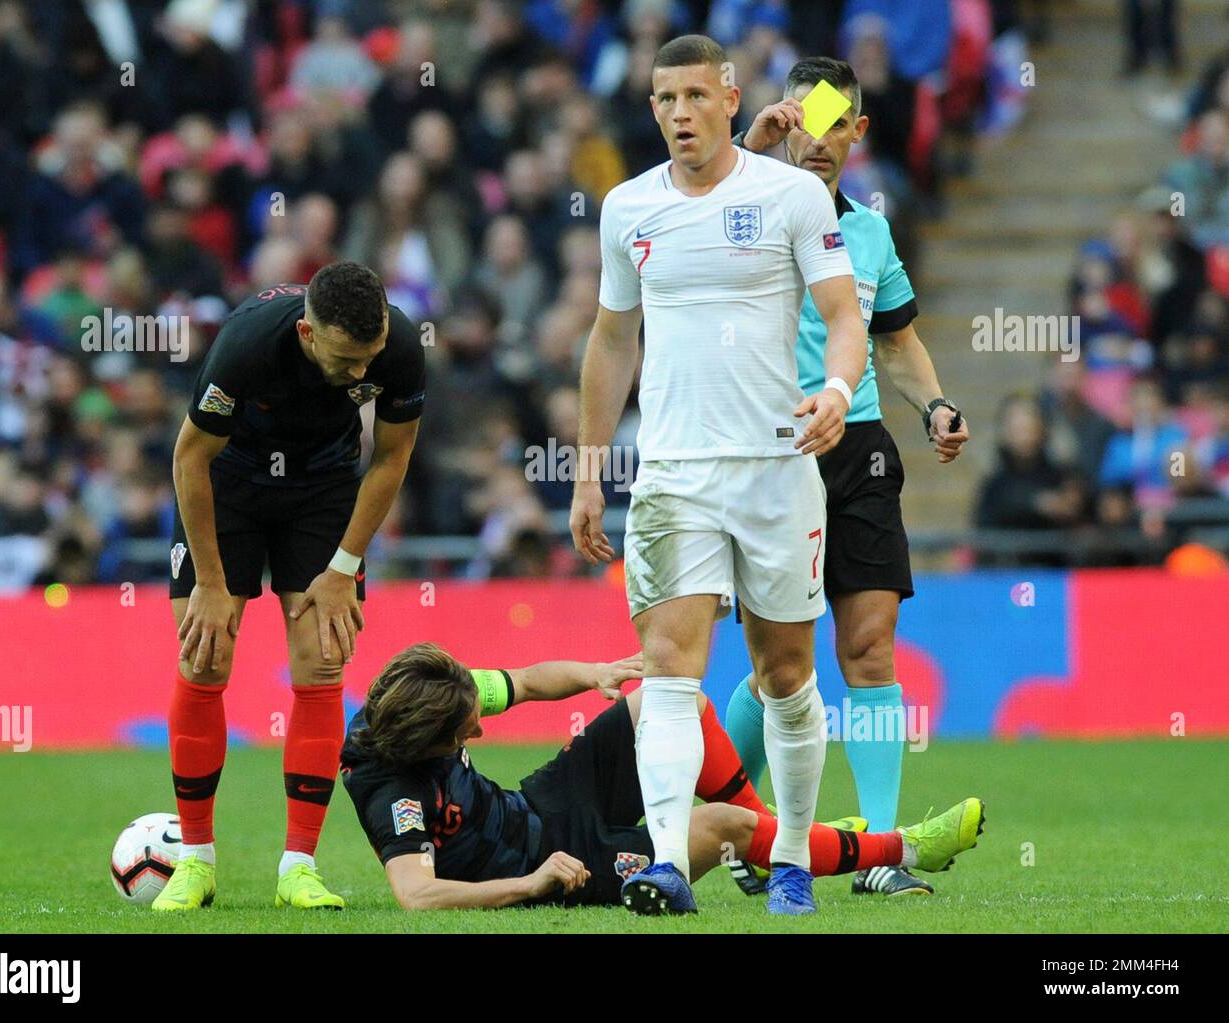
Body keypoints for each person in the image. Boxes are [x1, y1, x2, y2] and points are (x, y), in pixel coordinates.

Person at [570, 34, 869, 916]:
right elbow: (611, 337)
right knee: (667, 670)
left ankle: (789, 859)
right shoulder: (627, 209)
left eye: (696, 96)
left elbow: (843, 314)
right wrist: (590, 471)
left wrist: (838, 389)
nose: (678, 114)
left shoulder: (791, 195)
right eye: (665, 100)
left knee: (784, 674)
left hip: (779, 468)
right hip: (672, 474)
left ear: (731, 100)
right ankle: (665, 859)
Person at [722, 57, 970, 896]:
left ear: (859, 132)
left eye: (837, 125)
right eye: (805, 121)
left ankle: (881, 854)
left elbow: (897, 340)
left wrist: (934, 405)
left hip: (858, 448)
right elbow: (691, 216)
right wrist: (740, 148)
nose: (819, 142)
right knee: (777, 667)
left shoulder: (869, 233)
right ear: (784, 121)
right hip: (769, 451)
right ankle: (731, 824)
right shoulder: (744, 210)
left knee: (867, 647)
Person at [153, 261, 425, 912]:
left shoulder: (400, 347)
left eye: (371, 357)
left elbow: (391, 457)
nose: (362, 373)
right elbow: (189, 457)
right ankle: (195, 861)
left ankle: (297, 867)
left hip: (324, 489)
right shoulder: (246, 345)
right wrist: (212, 583)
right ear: (307, 333)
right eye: (346, 360)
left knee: (323, 659)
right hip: (229, 483)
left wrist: (342, 566)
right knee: (204, 654)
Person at [341, 643, 985, 910]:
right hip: (561, 860)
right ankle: (903, 847)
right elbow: (415, 895)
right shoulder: (394, 791)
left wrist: (596, 674)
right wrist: (532, 882)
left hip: (540, 804)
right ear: (425, 742)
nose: (476, 733)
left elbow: (530, 682)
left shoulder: (428, 693)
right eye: (464, 733)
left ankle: (774, 847)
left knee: (671, 702)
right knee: (727, 825)